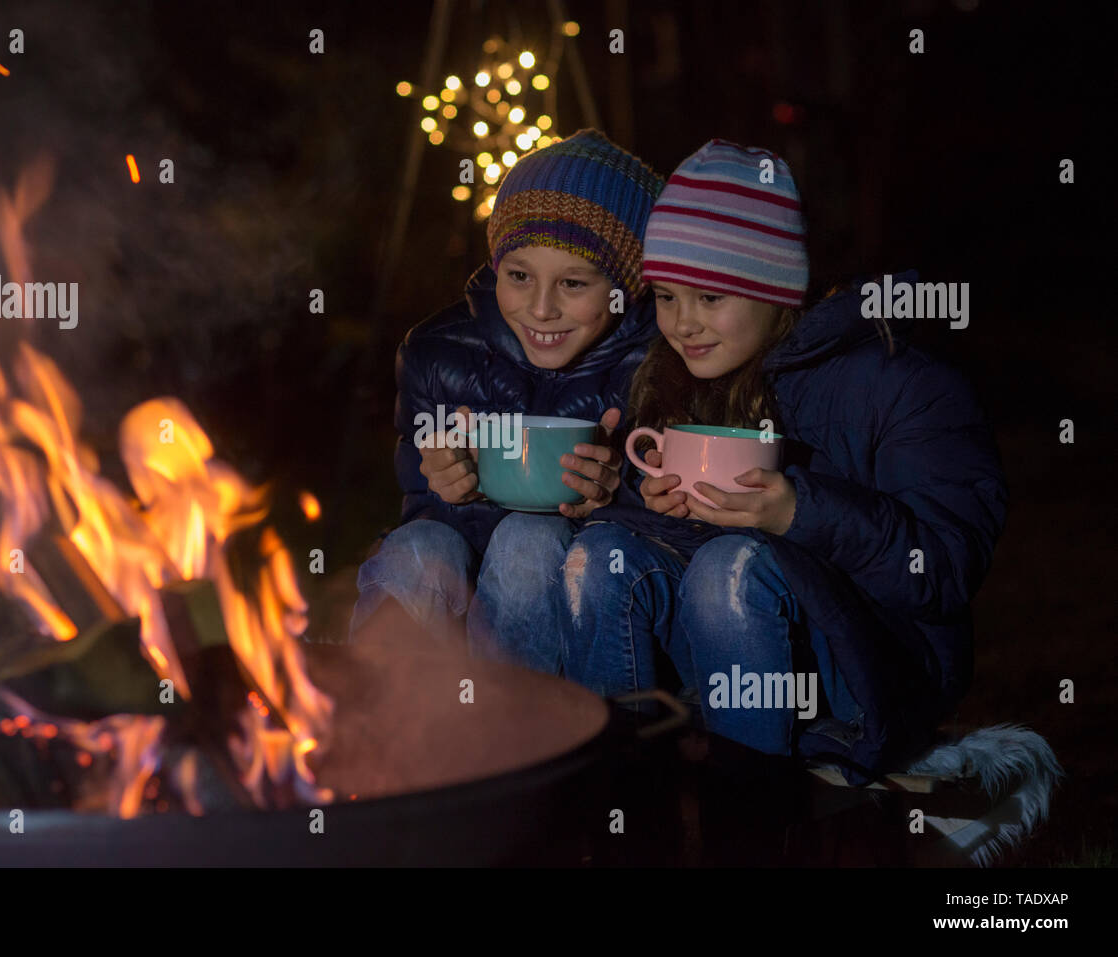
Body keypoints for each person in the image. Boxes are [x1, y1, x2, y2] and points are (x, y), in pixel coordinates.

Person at [551, 139, 1008, 783]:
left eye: (710, 298)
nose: (682, 325)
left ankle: (750, 825)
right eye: (668, 297)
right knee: (597, 556)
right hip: (734, 645)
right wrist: (651, 508)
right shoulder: (677, 372)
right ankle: (620, 809)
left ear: (776, 290)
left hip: (872, 670)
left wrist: (799, 510)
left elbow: (942, 569)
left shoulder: (901, 382)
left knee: (728, 567)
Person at [349, 130, 664, 659]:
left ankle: (511, 726)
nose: (541, 309)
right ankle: (370, 717)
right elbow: (424, 512)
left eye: (573, 284)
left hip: (576, 601)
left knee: (529, 540)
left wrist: (614, 496)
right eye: (519, 275)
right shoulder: (437, 353)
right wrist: (450, 486)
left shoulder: (656, 367)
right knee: (413, 548)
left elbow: (672, 537)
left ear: (625, 288)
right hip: (464, 574)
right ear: (496, 265)